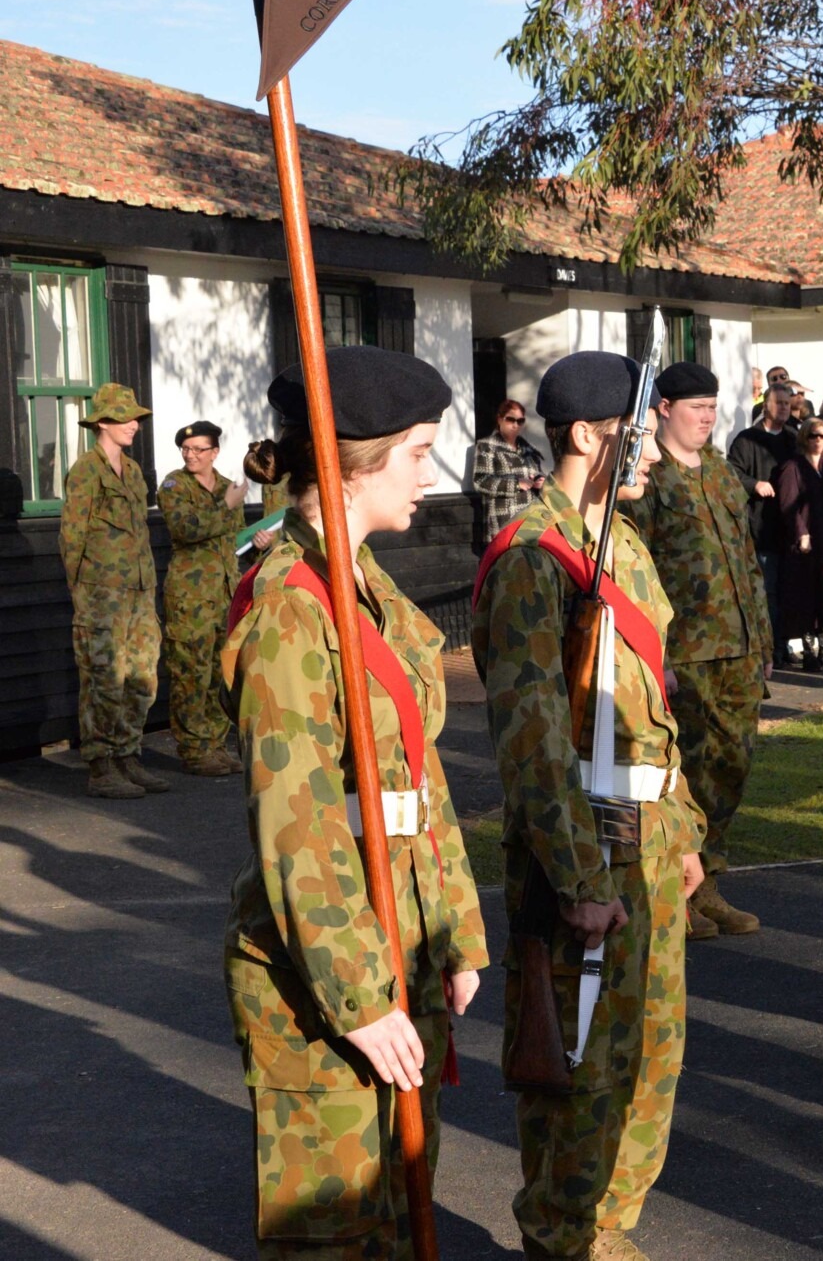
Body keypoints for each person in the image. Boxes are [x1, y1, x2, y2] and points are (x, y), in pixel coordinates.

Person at [222, 345, 488, 1259]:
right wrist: (362, 997)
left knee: (392, 1213)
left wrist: (456, 931)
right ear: (359, 459)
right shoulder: (291, 609)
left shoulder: (364, 589)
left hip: (399, 945)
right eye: (419, 451)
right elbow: (296, 824)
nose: (430, 473)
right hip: (323, 982)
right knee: (335, 1235)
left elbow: (419, 778)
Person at [473, 351, 704, 1261]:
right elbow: (534, 738)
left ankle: (611, 1229)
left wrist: (682, 837)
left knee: (649, 1060)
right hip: (587, 850)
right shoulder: (537, 559)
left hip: (648, 844)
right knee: (576, 1068)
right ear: (584, 435)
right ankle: (562, 1237)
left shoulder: (626, 545)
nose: (647, 450)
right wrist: (576, 876)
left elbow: (655, 717)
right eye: (633, 434)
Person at [627, 361, 773, 939]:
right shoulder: (650, 480)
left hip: (737, 645)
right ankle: (674, 890)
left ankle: (707, 881)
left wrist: (761, 639)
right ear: (664, 409)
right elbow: (637, 570)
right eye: (696, 409)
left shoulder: (720, 469)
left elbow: (747, 560)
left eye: (713, 408)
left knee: (731, 767)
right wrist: (652, 657)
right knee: (684, 772)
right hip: (682, 649)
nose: (708, 418)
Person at [59, 383, 166, 800]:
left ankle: (128, 756)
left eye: (136, 418)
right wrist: (81, 595)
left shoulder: (135, 471)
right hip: (101, 594)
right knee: (104, 677)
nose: (135, 425)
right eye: (126, 418)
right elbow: (73, 535)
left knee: (142, 678)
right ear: (103, 422)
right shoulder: (86, 470)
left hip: (139, 592)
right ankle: (101, 766)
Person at [157, 420, 246, 776]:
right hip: (190, 597)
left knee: (218, 673)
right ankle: (194, 750)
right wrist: (225, 505)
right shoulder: (174, 485)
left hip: (223, 593)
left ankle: (215, 745)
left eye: (198, 450)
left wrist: (255, 542)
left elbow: (233, 539)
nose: (190, 455)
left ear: (214, 453)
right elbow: (185, 529)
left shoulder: (228, 487)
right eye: (186, 449)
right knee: (189, 673)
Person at [728, 382, 798, 669]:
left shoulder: (794, 439)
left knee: (788, 591)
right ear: (765, 405)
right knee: (766, 593)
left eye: (787, 403)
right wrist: (754, 484)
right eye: (778, 402)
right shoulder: (747, 440)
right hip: (761, 528)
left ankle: (783, 645)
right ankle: (768, 649)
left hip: (790, 530)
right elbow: (732, 472)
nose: (783, 408)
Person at [774, 418, 823, 672]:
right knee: (806, 597)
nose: (819, 440)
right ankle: (809, 652)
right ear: (805, 437)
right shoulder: (793, 467)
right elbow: (787, 503)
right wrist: (801, 533)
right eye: (814, 435)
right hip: (805, 542)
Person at [473, 398, 548, 542]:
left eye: (520, 421)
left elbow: (534, 473)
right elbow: (481, 482)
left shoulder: (528, 449)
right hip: (504, 520)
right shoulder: (487, 446)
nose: (515, 425)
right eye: (510, 420)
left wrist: (540, 480)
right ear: (500, 419)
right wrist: (516, 484)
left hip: (529, 520)